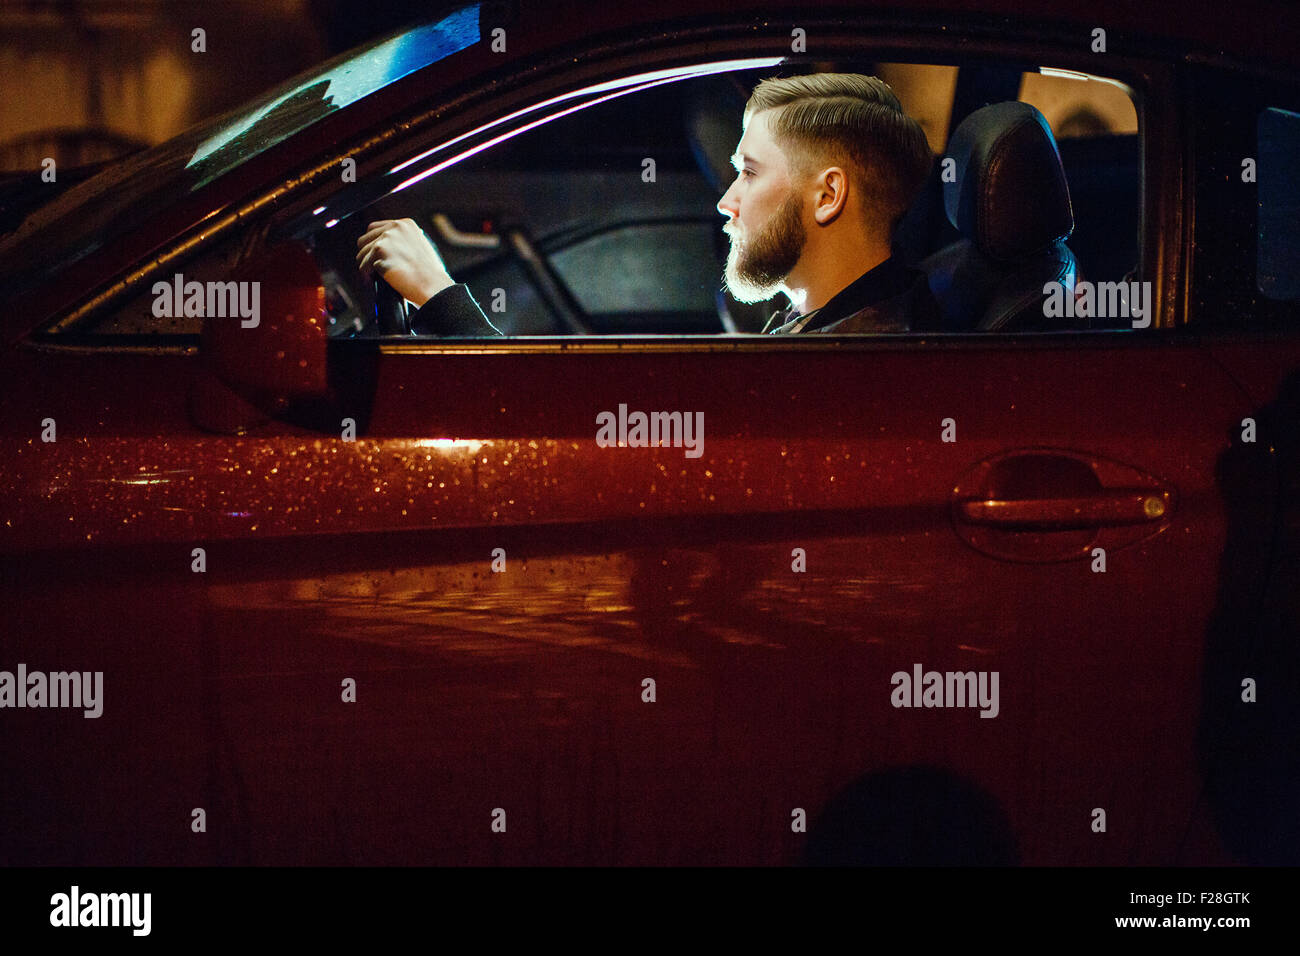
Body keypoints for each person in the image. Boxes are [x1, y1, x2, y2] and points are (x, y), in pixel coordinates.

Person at [356, 72, 938, 336]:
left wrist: (442, 299)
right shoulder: (822, 325)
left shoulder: (854, 367)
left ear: (828, 195)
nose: (726, 202)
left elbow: (590, 471)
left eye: (749, 173)